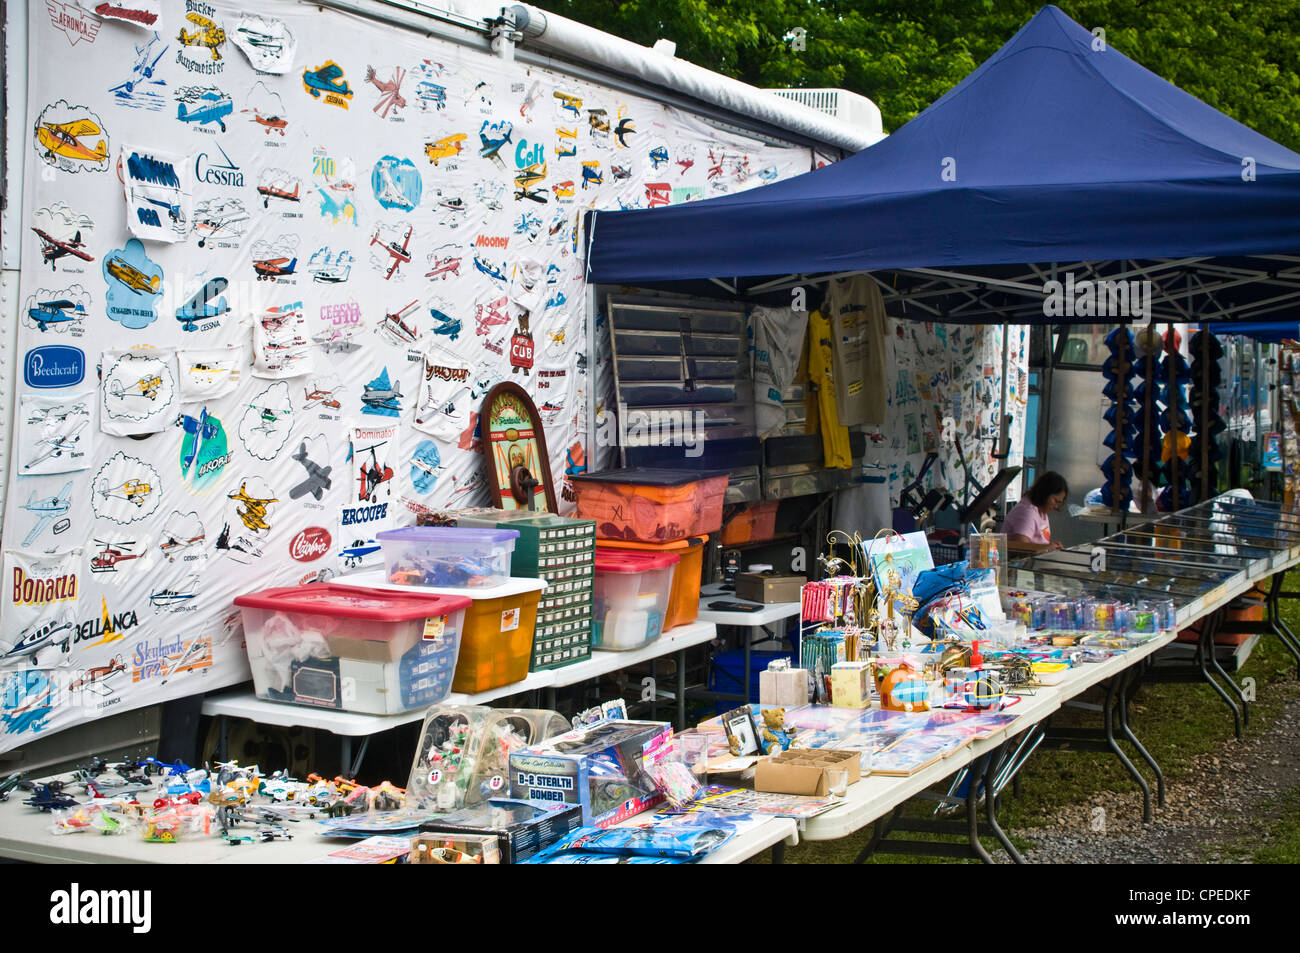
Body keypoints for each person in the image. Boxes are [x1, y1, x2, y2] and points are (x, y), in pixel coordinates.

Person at [1003, 472, 1068, 553]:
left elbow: (1038, 543)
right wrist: (1047, 549)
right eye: (1055, 501)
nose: (1056, 506)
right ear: (1045, 493)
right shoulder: (1027, 512)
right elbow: (1021, 548)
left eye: (1059, 503)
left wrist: (1052, 547)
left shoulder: (1042, 511)